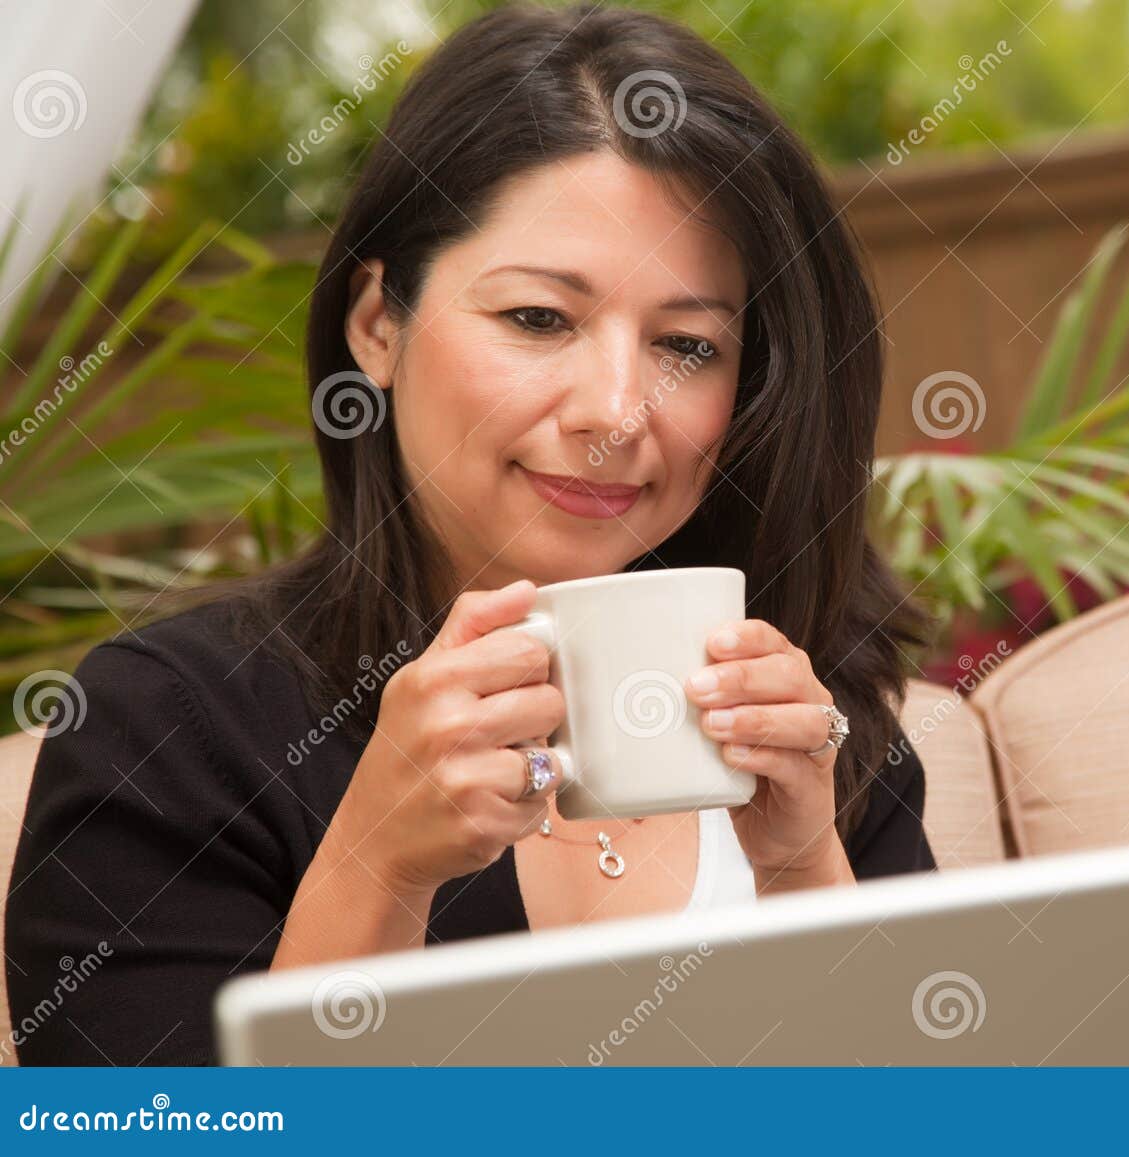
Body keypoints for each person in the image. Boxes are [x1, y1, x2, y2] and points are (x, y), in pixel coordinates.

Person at [5, 1, 936, 1067]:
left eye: (686, 343)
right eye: (538, 318)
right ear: (376, 326)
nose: (618, 411)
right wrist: (376, 868)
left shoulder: (816, 728)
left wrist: (802, 865)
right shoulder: (169, 732)